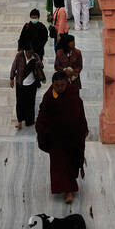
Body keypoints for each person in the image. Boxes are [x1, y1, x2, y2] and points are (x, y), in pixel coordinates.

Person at [35, 71, 89, 203]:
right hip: (55, 138)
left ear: (67, 83)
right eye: (57, 85)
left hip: (71, 137)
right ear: (52, 84)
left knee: (70, 163)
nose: (60, 88)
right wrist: (41, 131)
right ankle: (66, 190)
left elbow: (80, 112)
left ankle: (69, 190)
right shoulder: (48, 97)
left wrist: (83, 129)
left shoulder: (72, 94)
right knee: (59, 164)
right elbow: (42, 115)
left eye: (62, 85)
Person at [9, 42, 45, 129]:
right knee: (20, 103)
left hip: (32, 84)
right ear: (25, 51)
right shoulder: (19, 56)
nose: (30, 54)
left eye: (31, 52)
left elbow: (41, 67)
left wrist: (38, 63)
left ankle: (30, 121)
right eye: (28, 53)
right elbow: (14, 67)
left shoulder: (35, 56)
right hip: (20, 83)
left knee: (31, 102)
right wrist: (11, 78)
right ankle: (20, 121)